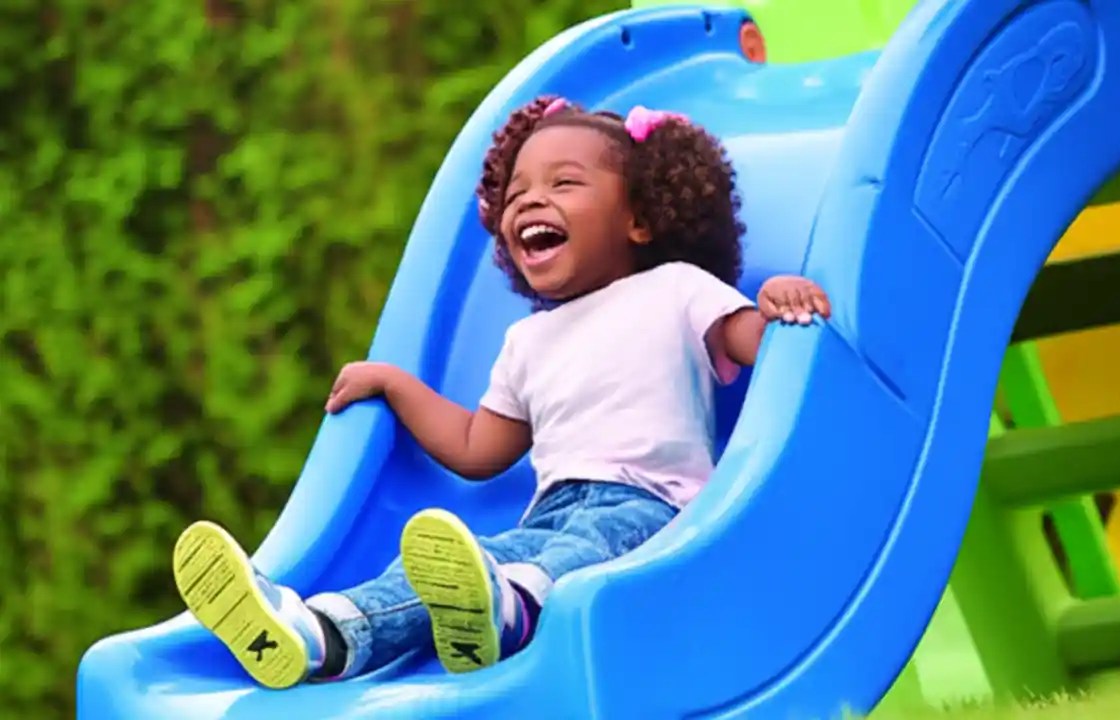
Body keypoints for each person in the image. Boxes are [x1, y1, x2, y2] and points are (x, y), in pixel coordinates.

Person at [172, 96, 831, 689]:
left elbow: (756, 343)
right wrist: (398, 386)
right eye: (516, 194)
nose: (529, 202)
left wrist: (775, 305)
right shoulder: (527, 342)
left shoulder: (676, 288)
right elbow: (475, 447)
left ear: (641, 217)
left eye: (563, 183)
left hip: (655, 512)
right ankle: (322, 634)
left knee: (579, 555)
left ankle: (509, 615)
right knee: (446, 570)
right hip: (545, 514)